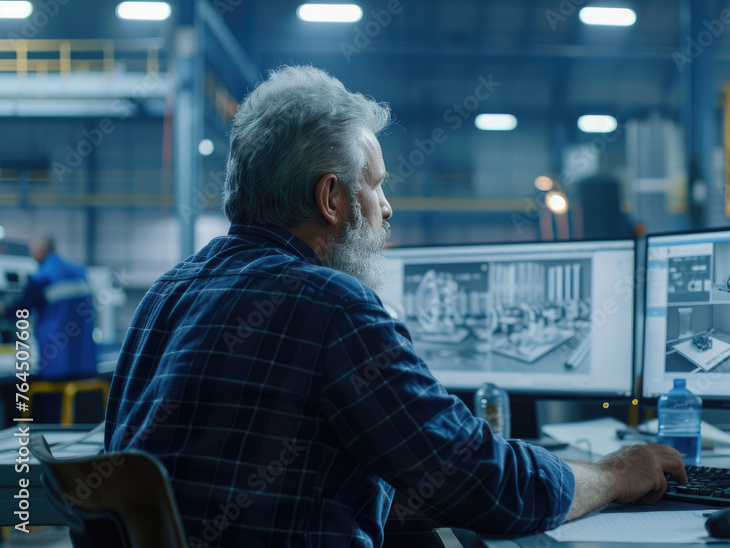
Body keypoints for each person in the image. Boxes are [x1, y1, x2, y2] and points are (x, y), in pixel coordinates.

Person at [105, 65, 686, 547]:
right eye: (377, 184)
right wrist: (614, 475)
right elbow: (479, 481)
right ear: (330, 198)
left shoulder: (168, 292)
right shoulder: (330, 304)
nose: (386, 208)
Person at [1, 237, 98, 381]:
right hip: (86, 363)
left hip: (57, 365)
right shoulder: (79, 272)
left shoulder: (42, 277)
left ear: (40, 250)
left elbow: (19, 308)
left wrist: (3, 310)